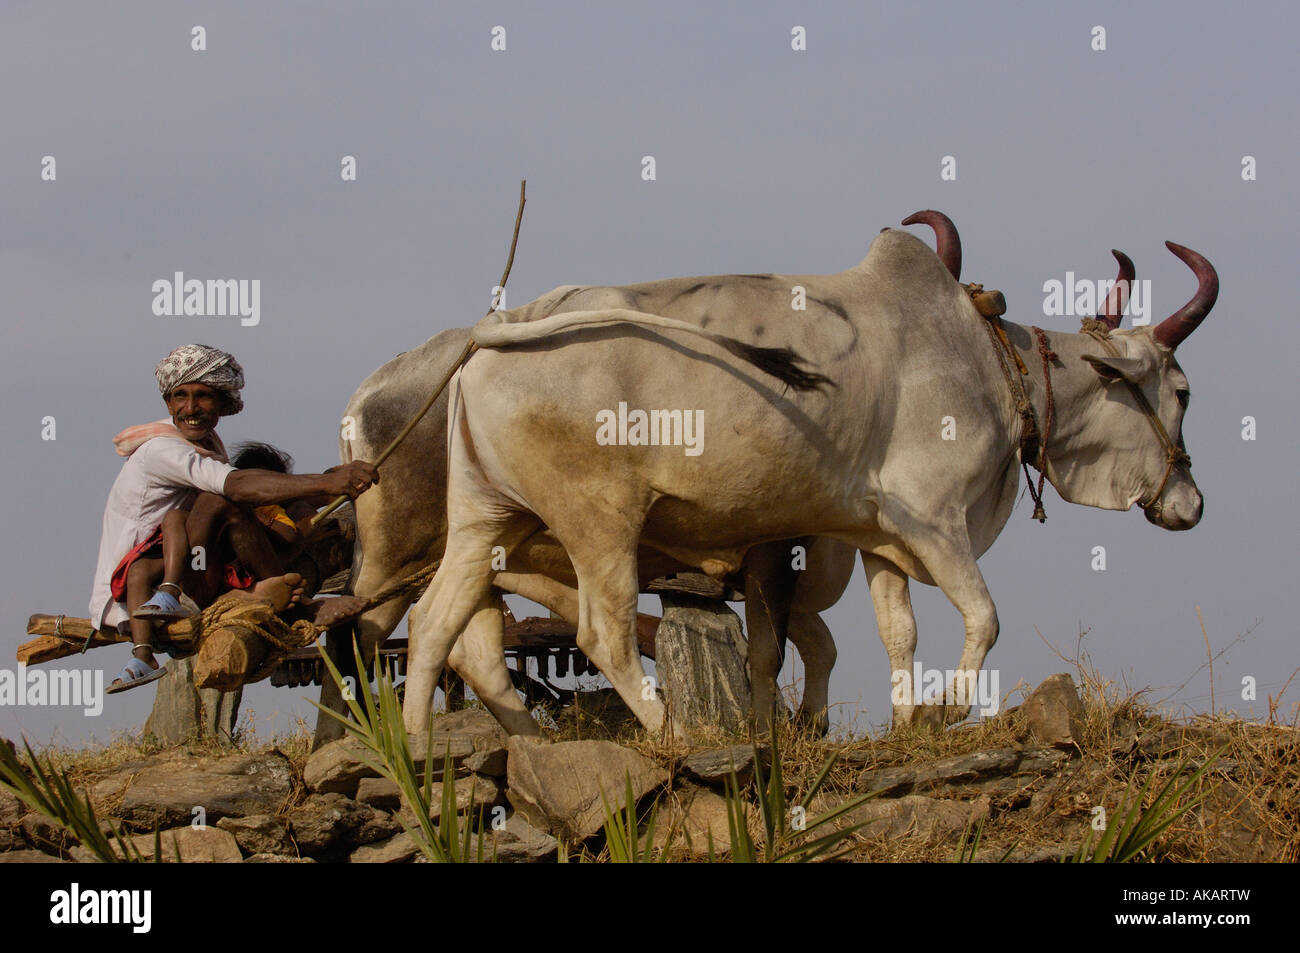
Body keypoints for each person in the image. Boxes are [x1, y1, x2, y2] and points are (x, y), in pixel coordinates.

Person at [92, 344, 379, 693]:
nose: (191, 408)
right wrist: (326, 482)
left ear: (222, 403)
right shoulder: (162, 449)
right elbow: (236, 486)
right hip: (152, 589)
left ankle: (265, 587)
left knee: (228, 509)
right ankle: (292, 608)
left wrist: (335, 483)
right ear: (168, 404)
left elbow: (254, 489)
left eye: (203, 397)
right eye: (180, 396)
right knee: (219, 503)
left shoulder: (206, 442)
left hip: (191, 569)